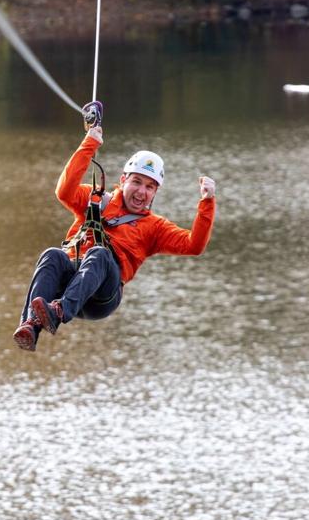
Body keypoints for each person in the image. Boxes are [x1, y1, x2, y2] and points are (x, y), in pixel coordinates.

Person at [13, 124, 216, 351]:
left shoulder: (155, 227)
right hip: (71, 280)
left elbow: (194, 245)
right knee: (52, 255)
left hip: (101, 297)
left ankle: (58, 311)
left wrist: (207, 202)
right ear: (123, 180)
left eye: (150, 187)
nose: (142, 192)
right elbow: (64, 192)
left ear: (155, 192)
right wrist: (90, 143)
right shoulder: (98, 200)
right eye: (137, 182)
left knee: (99, 253)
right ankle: (31, 325)